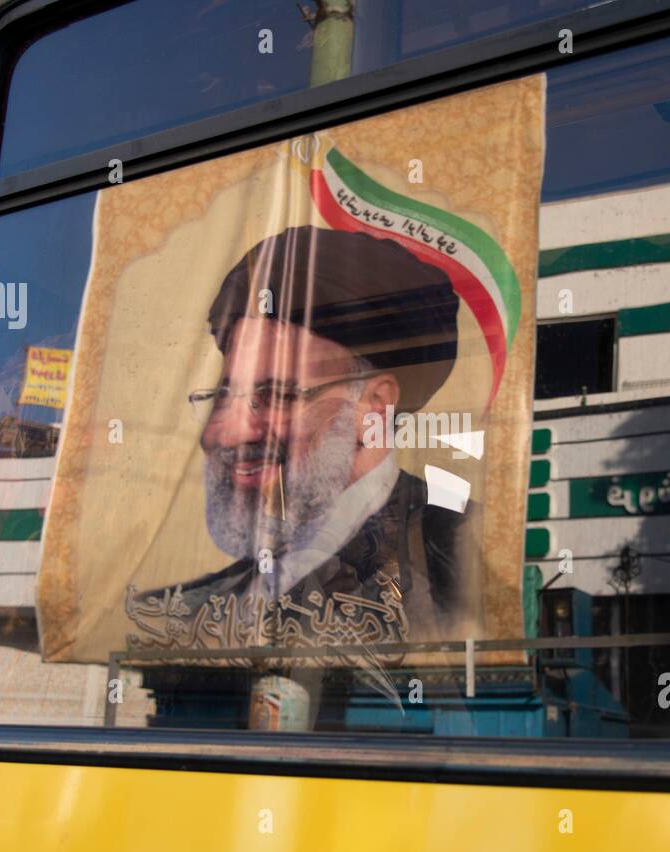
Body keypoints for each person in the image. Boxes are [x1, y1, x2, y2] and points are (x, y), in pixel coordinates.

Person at [125, 225, 476, 714]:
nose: (222, 434)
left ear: (373, 406)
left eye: (276, 396)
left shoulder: (464, 564)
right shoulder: (183, 610)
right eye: (223, 396)